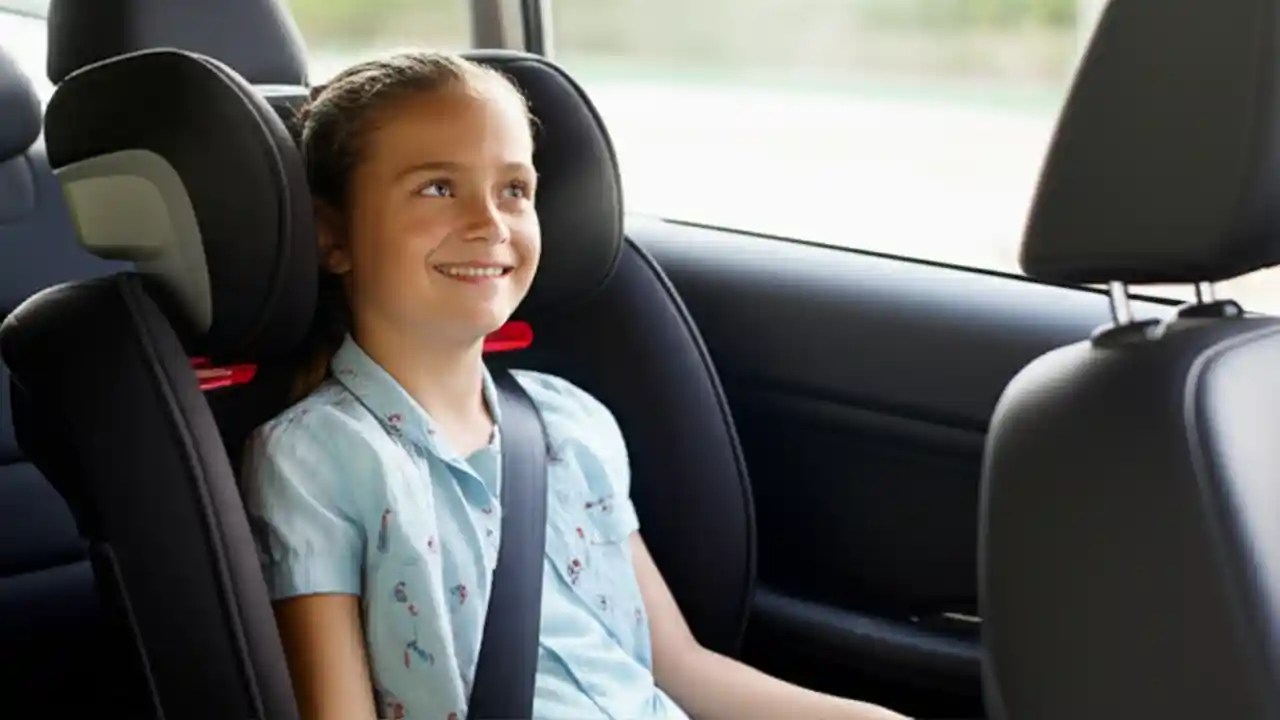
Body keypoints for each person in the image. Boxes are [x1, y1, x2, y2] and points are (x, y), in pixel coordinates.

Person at [241, 50, 909, 720]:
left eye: (513, 190)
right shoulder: (316, 460)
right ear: (334, 236)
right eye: (438, 188)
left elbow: (679, 671)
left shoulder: (569, 423)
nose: (489, 223)